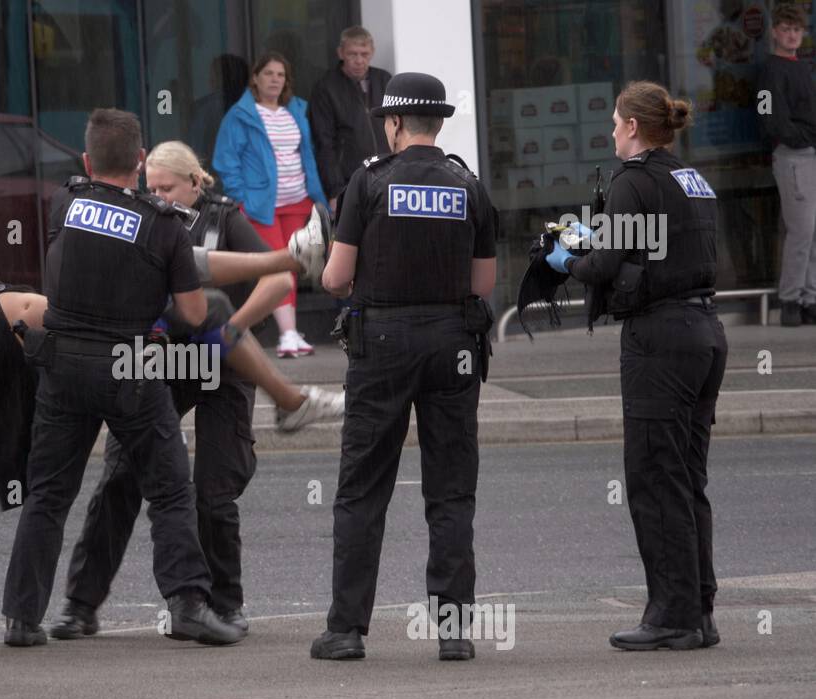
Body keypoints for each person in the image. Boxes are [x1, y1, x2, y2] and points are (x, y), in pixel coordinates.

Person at [50, 141, 343, 640]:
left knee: (214, 489)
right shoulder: (143, 218)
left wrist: (232, 330)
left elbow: (275, 283)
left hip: (222, 363)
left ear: (195, 182)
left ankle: (224, 604)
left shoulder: (224, 218)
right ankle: (81, 605)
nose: (159, 193)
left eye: (168, 186)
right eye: (153, 186)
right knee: (119, 479)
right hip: (164, 357)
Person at [0, 108, 244, 648]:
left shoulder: (64, 202)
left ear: (86, 160)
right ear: (139, 161)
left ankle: (22, 619)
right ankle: (186, 604)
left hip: (62, 364)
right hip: (130, 367)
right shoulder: (164, 225)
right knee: (170, 489)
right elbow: (194, 312)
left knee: (47, 495)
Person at [312, 73, 498, 662]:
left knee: (363, 488)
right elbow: (484, 284)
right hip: (453, 346)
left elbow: (337, 279)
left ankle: (345, 631)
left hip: (383, 347)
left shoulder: (367, 182)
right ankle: (454, 632)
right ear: (436, 123)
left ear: (393, 124)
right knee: (450, 492)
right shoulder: (468, 184)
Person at [547, 81, 727, 651]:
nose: (611, 131)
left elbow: (605, 265)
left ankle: (672, 615)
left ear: (630, 126)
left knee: (653, 476)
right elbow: (652, 245)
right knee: (686, 477)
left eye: (616, 121)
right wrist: (594, 243)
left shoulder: (633, 179)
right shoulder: (689, 178)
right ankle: (699, 611)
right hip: (705, 333)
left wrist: (566, 255)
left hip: (662, 339)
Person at [213, 51, 330, 359]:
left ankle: (290, 333)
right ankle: (286, 334)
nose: (275, 80)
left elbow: (307, 155)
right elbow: (226, 161)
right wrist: (242, 197)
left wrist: (317, 194)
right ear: (255, 78)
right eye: (268, 74)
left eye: (280, 74)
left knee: (294, 264)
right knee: (277, 265)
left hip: (297, 200)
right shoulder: (240, 115)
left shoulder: (297, 110)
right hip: (261, 206)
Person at [758, 5, 816, 326]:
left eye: (797, 29)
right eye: (786, 28)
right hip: (793, 157)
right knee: (802, 231)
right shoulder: (770, 70)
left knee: (814, 232)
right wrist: (800, 137)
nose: (792, 34)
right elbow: (769, 117)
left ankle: (810, 298)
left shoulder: (802, 67)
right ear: (774, 33)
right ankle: (790, 300)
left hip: (810, 154)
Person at [309, 26, 393, 212]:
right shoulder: (326, 87)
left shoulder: (384, 80)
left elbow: (400, 128)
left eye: (364, 54)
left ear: (372, 53)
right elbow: (324, 143)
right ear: (341, 53)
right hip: (349, 182)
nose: (358, 60)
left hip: (388, 177)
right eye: (352, 54)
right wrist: (335, 190)